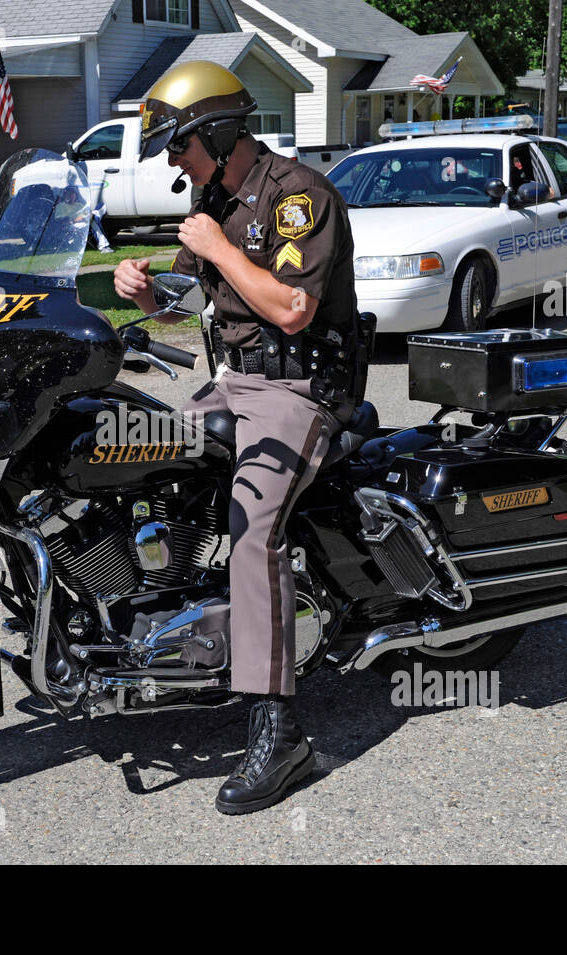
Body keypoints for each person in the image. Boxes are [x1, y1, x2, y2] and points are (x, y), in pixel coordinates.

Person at [114, 61, 364, 815]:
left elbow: (290, 307)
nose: (171, 163)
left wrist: (222, 250)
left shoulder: (298, 197)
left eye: (178, 146)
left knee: (254, 528)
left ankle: (280, 727)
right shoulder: (215, 194)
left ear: (219, 135)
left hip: (300, 389)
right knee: (133, 460)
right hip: (232, 383)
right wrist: (148, 291)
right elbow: (197, 294)